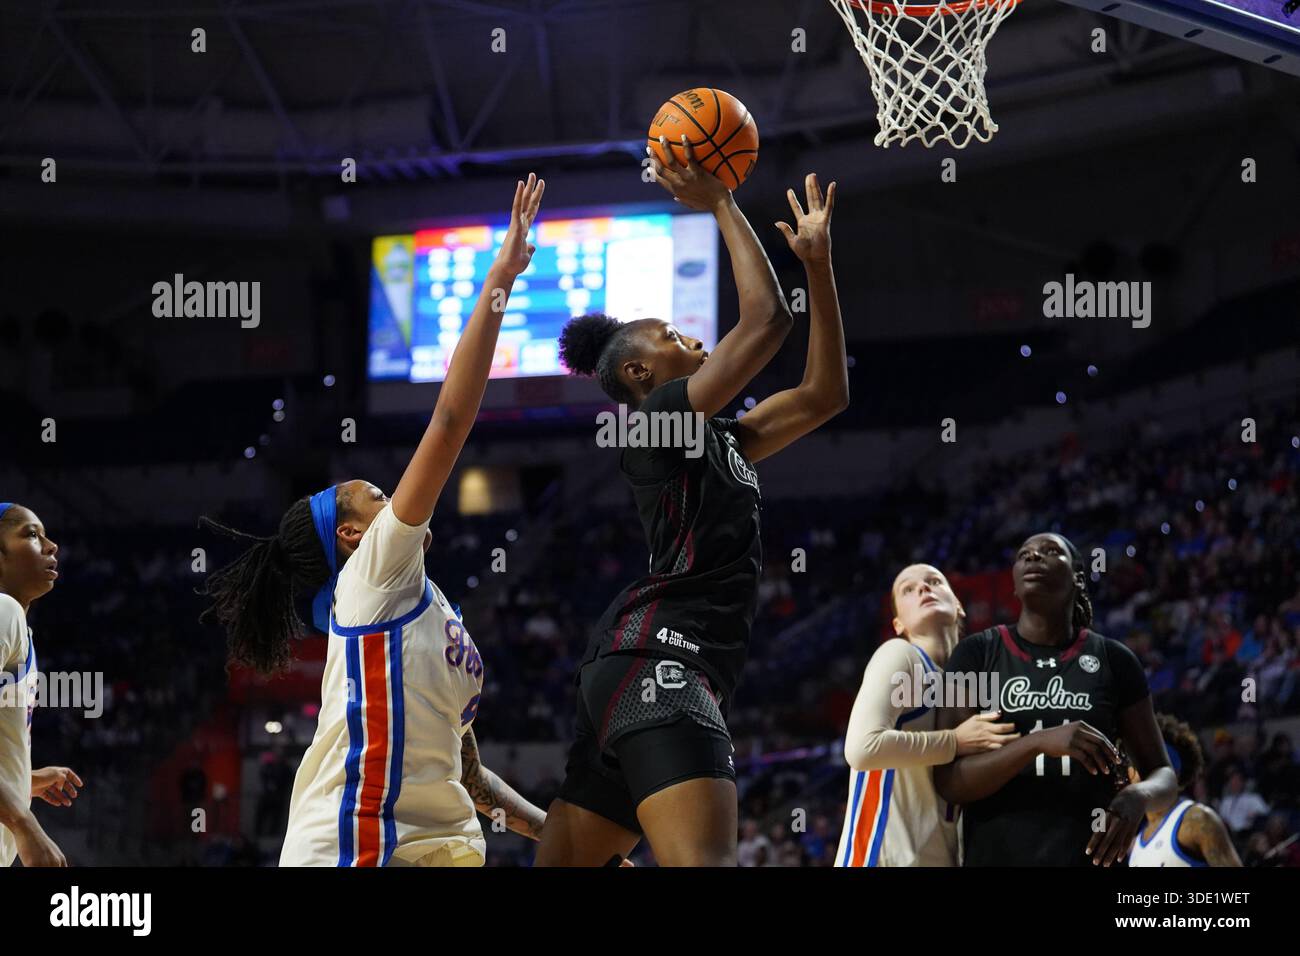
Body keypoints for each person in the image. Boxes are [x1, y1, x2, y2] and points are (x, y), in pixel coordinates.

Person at [200, 176, 548, 866]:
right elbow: (449, 421)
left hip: (430, 843)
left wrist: (579, 841)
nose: (396, 500)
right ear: (354, 537)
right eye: (378, 497)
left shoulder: (424, 603)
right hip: (356, 843)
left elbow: (473, 780)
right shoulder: (374, 573)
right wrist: (499, 282)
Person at [535, 140, 849, 866]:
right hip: (664, 662)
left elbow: (826, 395)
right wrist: (721, 201)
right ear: (643, 372)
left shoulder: (719, 437)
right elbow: (766, 324)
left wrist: (820, 269)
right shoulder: (653, 425)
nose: (697, 338)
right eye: (676, 335)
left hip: (623, 670)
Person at [933, 532, 1178, 866]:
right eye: (1024, 554)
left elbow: (1163, 773)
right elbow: (949, 782)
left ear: (1078, 578)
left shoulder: (1115, 659)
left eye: (1050, 551)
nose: (1033, 557)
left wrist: (1138, 795)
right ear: (1015, 586)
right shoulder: (975, 654)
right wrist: (1036, 743)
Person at [837, 564, 1017, 866]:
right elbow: (861, 749)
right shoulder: (901, 654)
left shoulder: (973, 685)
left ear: (958, 605)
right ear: (897, 624)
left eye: (934, 581)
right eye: (908, 589)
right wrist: (954, 742)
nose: (923, 588)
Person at [0, 502, 83, 867]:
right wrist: (24, 822)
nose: (52, 546)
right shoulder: (4, 611)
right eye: (32, 535)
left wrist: (24, 779)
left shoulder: (17, 623)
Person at [1127, 713, 1240, 866]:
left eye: (1144, 765)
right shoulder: (1135, 845)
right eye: (1133, 764)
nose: (1134, 772)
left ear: (1171, 774)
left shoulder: (1198, 820)